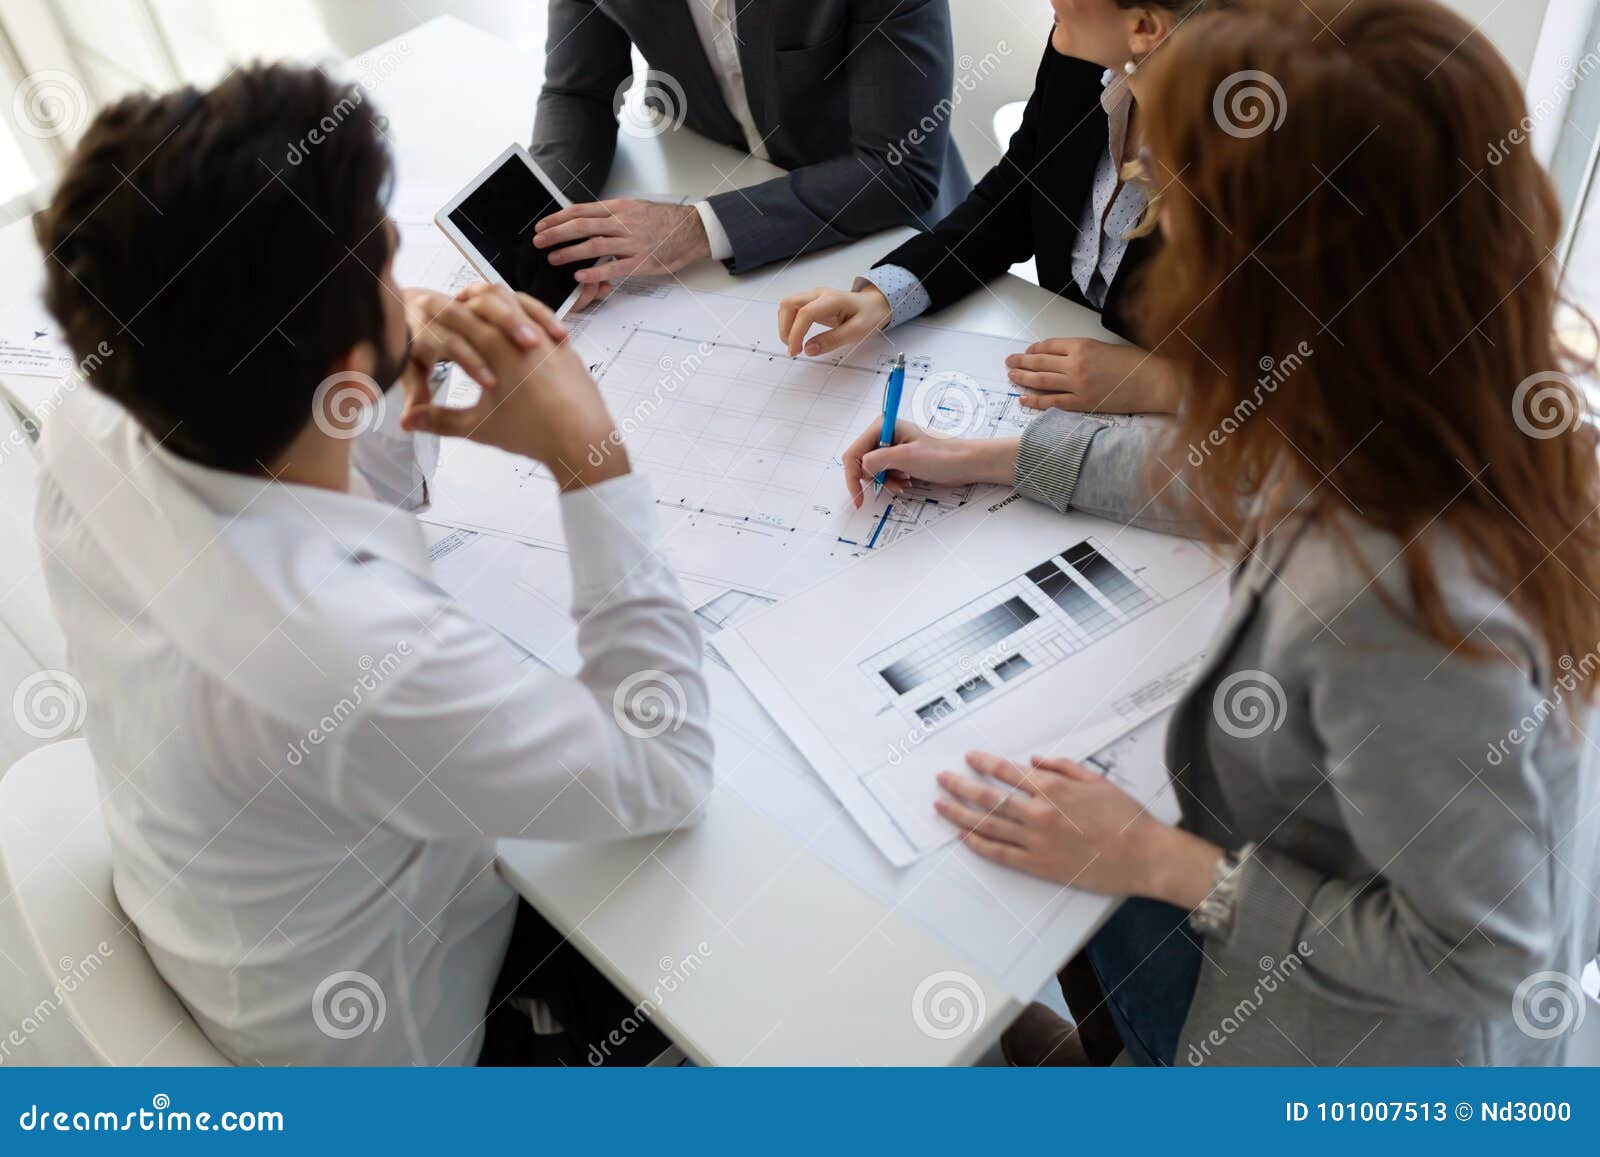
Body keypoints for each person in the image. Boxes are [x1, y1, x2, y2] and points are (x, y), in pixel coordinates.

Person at [842, 0, 1600, 1065]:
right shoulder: (1452, 382)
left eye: (1182, 208)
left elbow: (1483, 955)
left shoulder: (1391, 600)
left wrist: (1162, 862)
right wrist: (1002, 457)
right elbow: (1258, 476)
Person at [33, 64, 713, 1067]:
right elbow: (664, 770)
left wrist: (387, 371)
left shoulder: (88, 415)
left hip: (237, 926)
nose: (401, 264)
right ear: (341, 370)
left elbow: (316, 505)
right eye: (381, 254)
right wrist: (588, 457)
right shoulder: (351, 657)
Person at [780, 0, 1229, 416]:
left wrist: (1160, 384)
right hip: (1057, 370)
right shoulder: (1080, 53)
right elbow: (1011, 199)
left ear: (1144, 28)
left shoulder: (1262, 147)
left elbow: (1291, 376)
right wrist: (884, 296)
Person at [528, 0, 971, 305]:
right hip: (701, 167)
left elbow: (896, 171)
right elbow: (577, 91)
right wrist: (543, 228)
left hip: (881, 232)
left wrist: (697, 228)